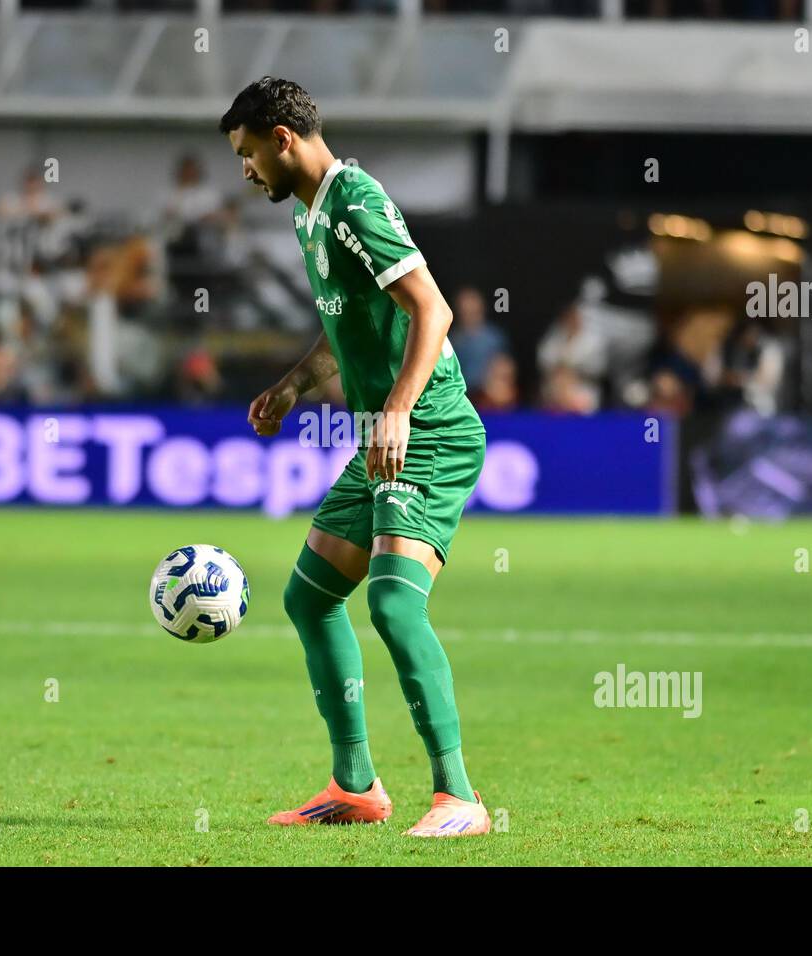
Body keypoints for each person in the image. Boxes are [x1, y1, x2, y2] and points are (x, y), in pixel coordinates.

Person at [220, 76, 491, 837]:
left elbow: (429, 307)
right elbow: (349, 331)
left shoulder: (356, 203)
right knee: (308, 598)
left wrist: (399, 412)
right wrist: (293, 386)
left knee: (395, 602)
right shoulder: (312, 217)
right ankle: (356, 787)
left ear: (283, 139)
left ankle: (461, 798)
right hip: (382, 433)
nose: (244, 172)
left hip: (428, 430)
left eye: (247, 155)